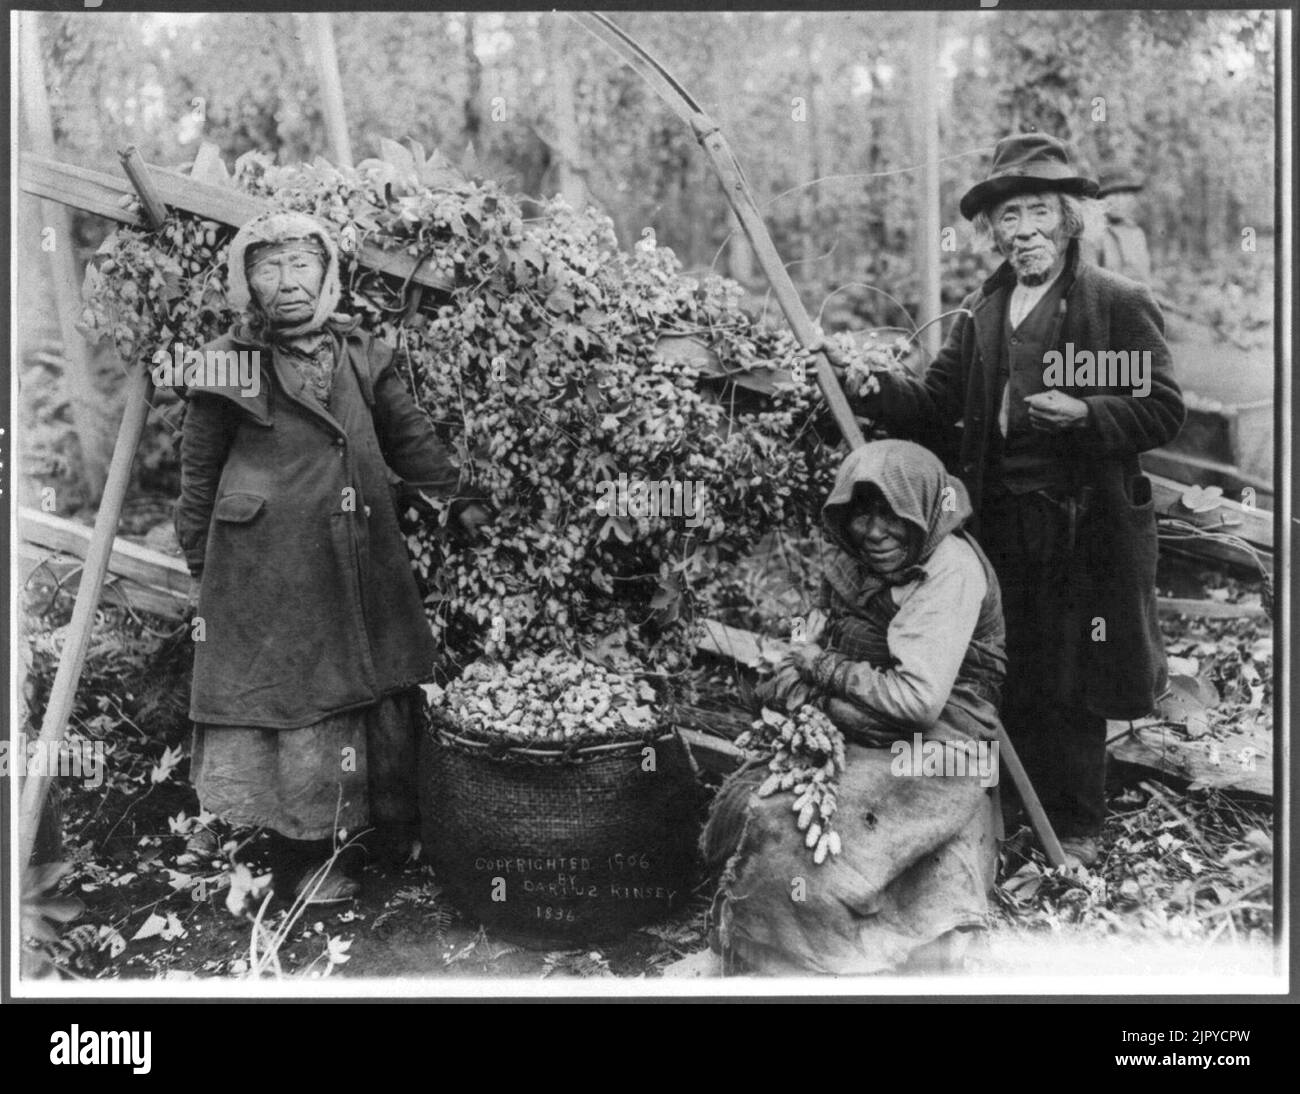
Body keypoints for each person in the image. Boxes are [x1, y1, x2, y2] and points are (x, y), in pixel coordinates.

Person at [826, 133, 1185, 868]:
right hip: (1001, 523)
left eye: (1036, 214)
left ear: (1067, 219)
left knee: (1077, 673)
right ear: (992, 231)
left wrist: (1090, 417)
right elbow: (931, 405)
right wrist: (862, 379)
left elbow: (1162, 407)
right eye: (1008, 220)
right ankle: (1019, 810)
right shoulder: (984, 314)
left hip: (1085, 526)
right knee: (1010, 663)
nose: (1023, 233)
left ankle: (1078, 825)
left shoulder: (1114, 304)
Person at [174, 211, 487, 904]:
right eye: (267, 268)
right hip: (270, 569)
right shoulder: (224, 361)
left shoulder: (360, 350)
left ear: (326, 273)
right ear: (246, 281)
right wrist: (212, 578)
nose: (285, 283)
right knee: (302, 705)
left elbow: (409, 437)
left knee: (374, 688)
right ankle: (314, 861)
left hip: (361, 554)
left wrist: (455, 498)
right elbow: (196, 481)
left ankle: (383, 835)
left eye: (299, 265)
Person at [701, 440, 1006, 975]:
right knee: (764, 807)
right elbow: (810, 626)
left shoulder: (950, 571)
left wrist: (820, 669)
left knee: (823, 838)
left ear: (925, 510)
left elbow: (916, 700)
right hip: (859, 713)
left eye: (892, 513)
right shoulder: (854, 559)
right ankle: (769, 942)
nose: (873, 531)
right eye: (861, 513)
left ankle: (848, 953)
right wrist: (800, 652)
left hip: (936, 736)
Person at [1090, 170, 1153, 284]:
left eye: (1124, 194)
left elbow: (1144, 280)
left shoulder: (1136, 233)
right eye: (1113, 194)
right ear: (1101, 200)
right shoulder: (1094, 234)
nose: (1120, 201)